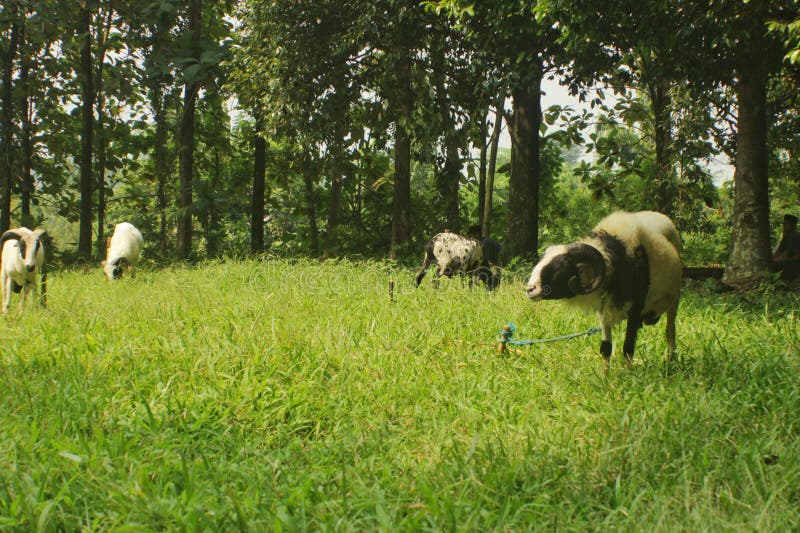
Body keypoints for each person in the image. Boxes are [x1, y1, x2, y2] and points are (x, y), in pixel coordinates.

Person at [773, 213, 800, 280]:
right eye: (783, 224)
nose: (783, 226)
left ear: (793, 225)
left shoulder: (795, 236)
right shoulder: (785, 237)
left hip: (793, 266)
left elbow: (796, 256)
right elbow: (778, 253)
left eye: (786, 224)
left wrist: (781, 259)